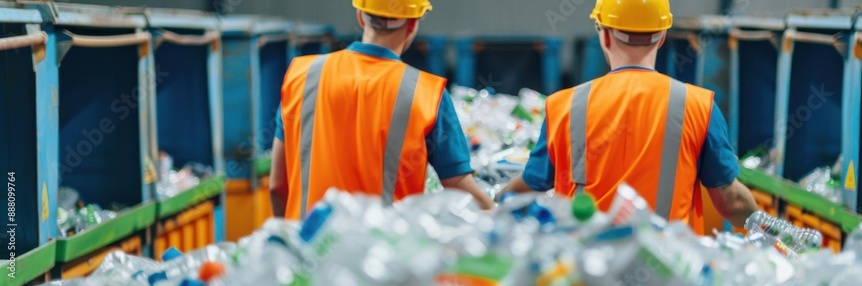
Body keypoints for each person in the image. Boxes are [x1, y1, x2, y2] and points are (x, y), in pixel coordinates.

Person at [503, 0, 758, 232]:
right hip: (664, 268)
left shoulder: (563, 105)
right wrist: (769, 228)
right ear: (661, 37)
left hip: (581, 267)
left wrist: (489, 201)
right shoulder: (699, 106)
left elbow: (529, 187)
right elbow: (732, 204)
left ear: (604, 35)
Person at [270, 0, 494, 219]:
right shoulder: (427, 93)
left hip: (308, 247)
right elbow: (461, 190)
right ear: (412, 24)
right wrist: (500, 213)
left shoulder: (302, 75)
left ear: (360, 16)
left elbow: (276, 186)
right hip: (383, 251)